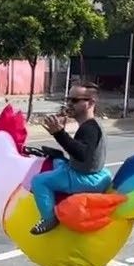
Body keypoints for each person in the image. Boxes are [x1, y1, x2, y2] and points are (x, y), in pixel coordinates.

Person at [30, 84, 111, 235]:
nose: (69, 104)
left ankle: (49, 219)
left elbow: (82, 154)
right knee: (56, 161)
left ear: (91, 103)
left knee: (39, 181)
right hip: (88, 172)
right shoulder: (90, 125)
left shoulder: (90, 128)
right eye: (68, 100)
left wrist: (59, 133)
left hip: (85, 178)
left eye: (74, 100)